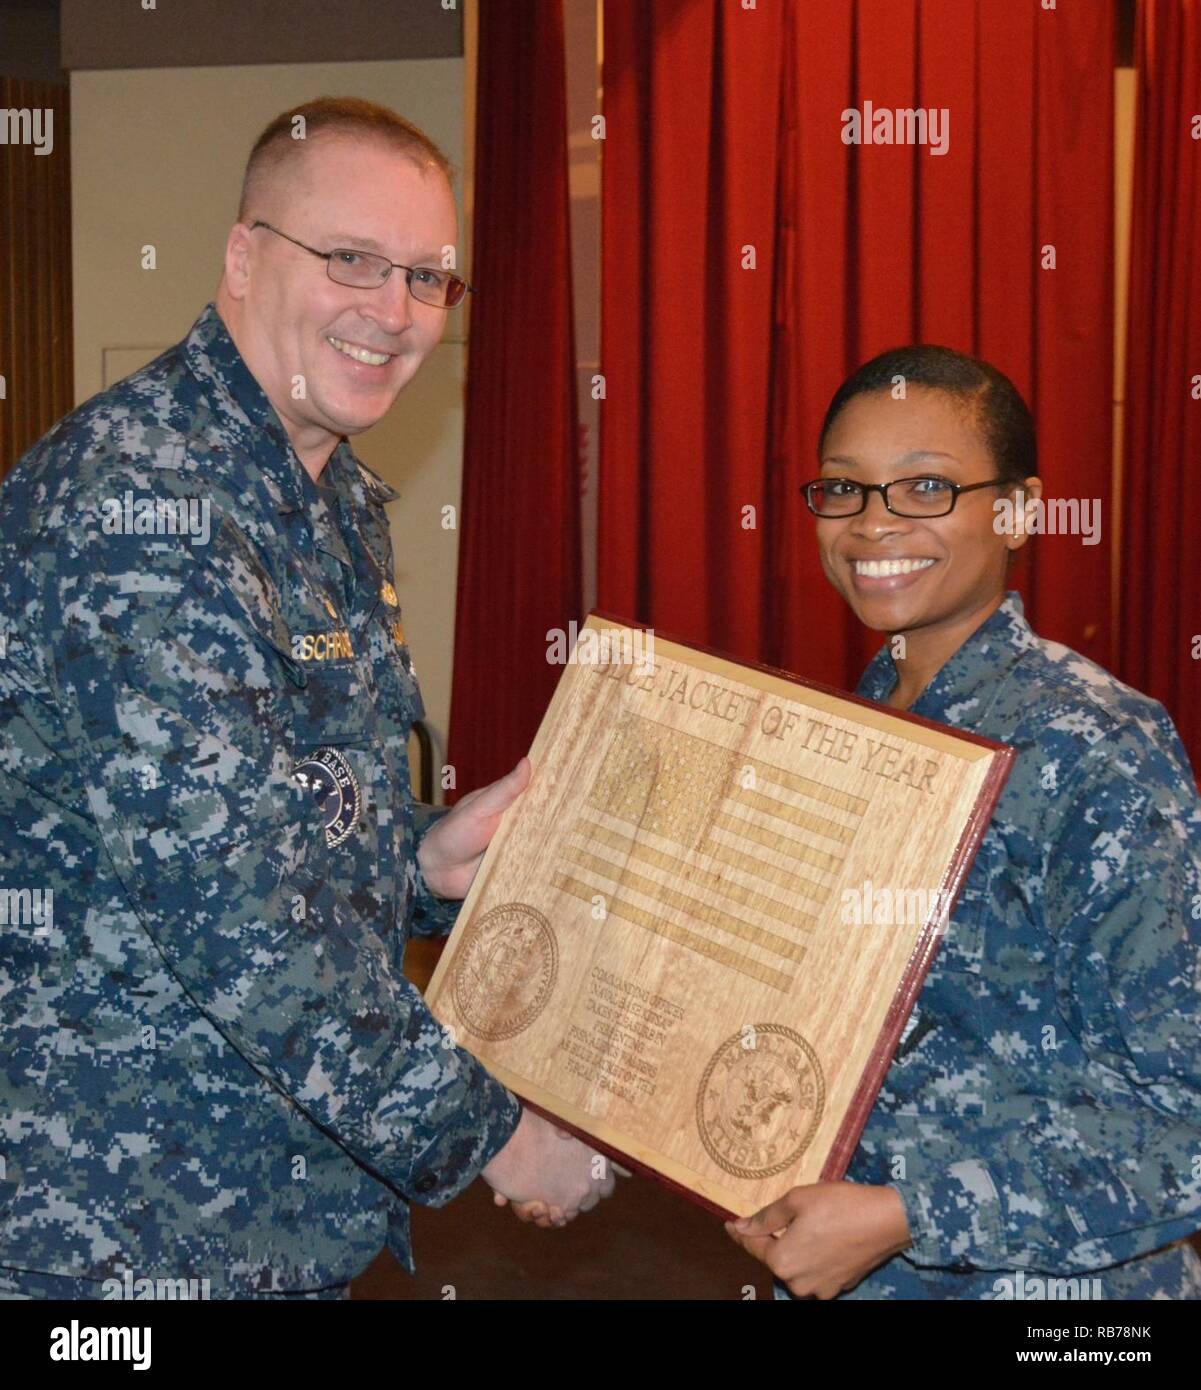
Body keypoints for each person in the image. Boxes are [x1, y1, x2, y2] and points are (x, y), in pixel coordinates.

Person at [0, 97, 614, 1301]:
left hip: (270, 1211)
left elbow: (286, 820)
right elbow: (243, 923)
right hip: (116, 1233)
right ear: (242, 257)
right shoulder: (143, 506)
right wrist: (493, 1132)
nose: (392, 311)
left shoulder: (329, 499)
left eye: (429, 278)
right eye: (351, 260)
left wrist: (417, 860)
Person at [726, 345, 1201, 1300]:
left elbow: (1183, 1115)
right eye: (845, 490)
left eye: (926, 488)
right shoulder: (865, 716)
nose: (873, 525)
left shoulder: (1091, 745)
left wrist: (908, 1214)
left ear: (1019, 510)